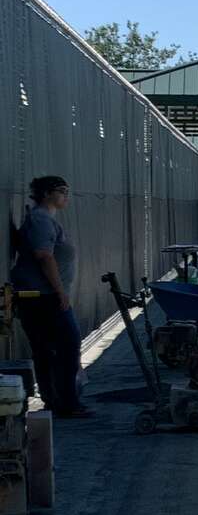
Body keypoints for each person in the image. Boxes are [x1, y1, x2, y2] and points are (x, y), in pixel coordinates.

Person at [11, 176, 90, 417]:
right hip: (43, 297)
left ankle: (57, 400)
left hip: (44, 297)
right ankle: (65, 402)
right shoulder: (40, 220)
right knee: (67, 346)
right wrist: (59, 292)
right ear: (46, 194)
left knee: (50, 349)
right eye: (62, 191)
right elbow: (44, 256)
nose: (67, 195)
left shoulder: (45, 220)